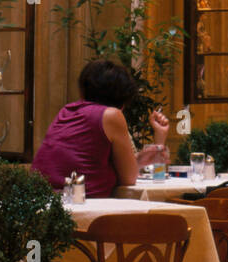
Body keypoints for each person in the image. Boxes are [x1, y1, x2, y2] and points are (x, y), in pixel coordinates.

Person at [31, 59, 169, 198]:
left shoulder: (67, 111)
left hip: (41, 200)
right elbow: (128, 179)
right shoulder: (111, 115)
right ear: (123, 97)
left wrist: (138, 159)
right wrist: (138, 161)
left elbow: (84, 161)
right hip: (77, 205)